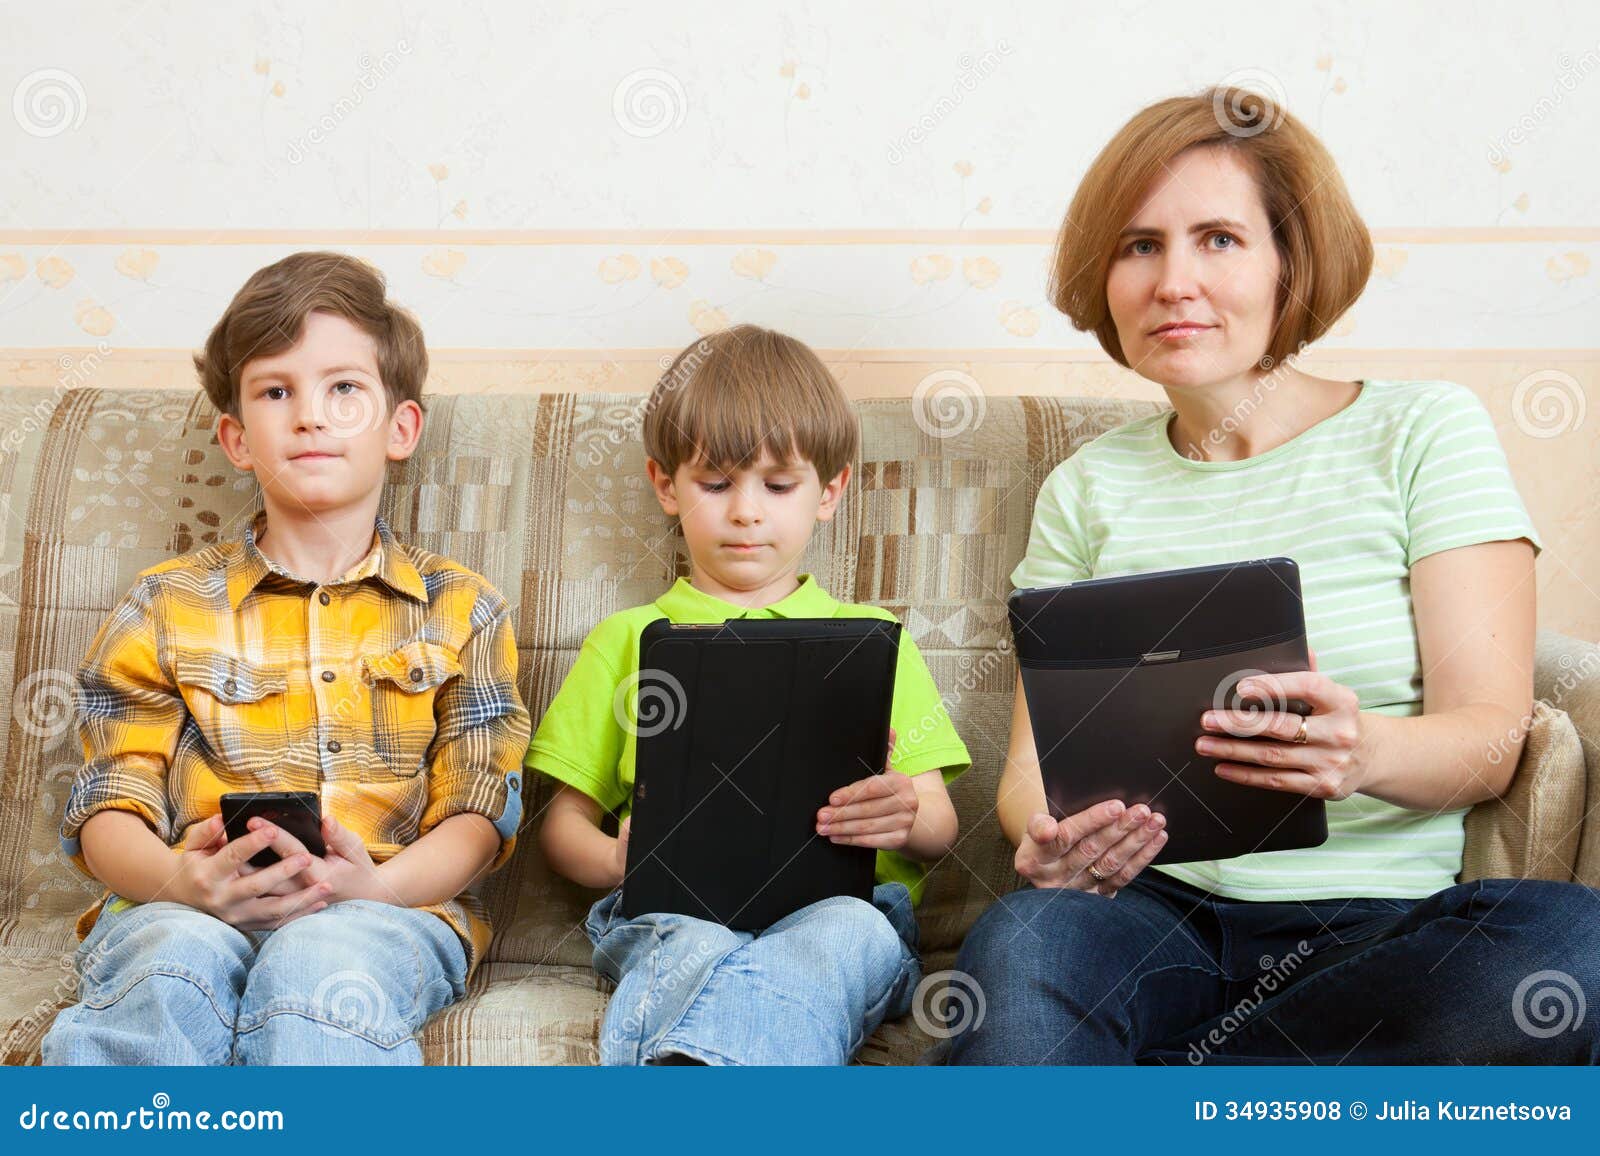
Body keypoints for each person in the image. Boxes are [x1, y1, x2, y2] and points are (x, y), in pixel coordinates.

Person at [947, 89, 1600, 1064]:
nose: (1173, 281)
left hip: (1375, 930)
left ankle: (1177, 1083)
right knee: (1021, 941)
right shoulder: (1085, 488)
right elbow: (1032, 777)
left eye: (1217, 238)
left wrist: (1362, 753)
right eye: (1138, 246)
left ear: (1290, 262)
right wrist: (1047, 841)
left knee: (1566, 946)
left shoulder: (1423, 429)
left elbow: (1491, 739)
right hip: (1146, 917)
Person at [43, 252, 531, 1065]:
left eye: (344, 389)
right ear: (236, 436)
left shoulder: (463, 607)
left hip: (387, 912)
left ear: (399, 428)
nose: (310, 416)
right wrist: (180, 883)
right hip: (182, 908)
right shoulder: (163, 605)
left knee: (319, 966)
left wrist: (375, 887)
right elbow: (107, 810)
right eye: (277, 391)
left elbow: (478, 816)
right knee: (167, 964)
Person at [527, 324, 971, 1064]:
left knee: (846, 934)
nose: (746, 512)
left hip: (844, 905)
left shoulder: (869, 638)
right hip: (677, 907)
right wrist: (618, 862)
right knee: (690, 940)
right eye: (715, 483)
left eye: (778, 484)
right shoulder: (628, 638)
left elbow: (939, 827)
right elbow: (561, 827)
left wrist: (903, 813)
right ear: (665, 485)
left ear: (829, 492)